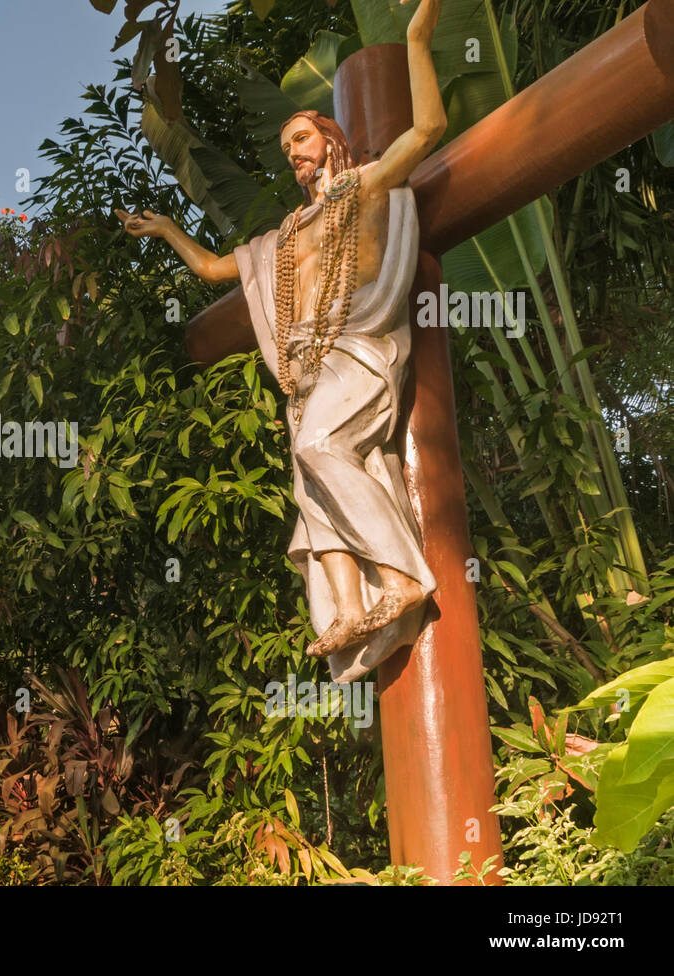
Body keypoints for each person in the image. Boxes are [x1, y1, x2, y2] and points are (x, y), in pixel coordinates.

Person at [115, 0, 444, 684]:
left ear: (330, 138)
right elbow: (213, 269)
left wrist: (416, 35)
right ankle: (350, 608)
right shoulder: (284, 238)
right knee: (314, 490)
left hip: (358, 350)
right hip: (308, 374)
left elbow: (430, 128)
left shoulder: (366, 186)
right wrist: (167, 230)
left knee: (320, 448)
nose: (291, 149)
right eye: (285, 143)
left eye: (301, 136)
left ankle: (403, 579)